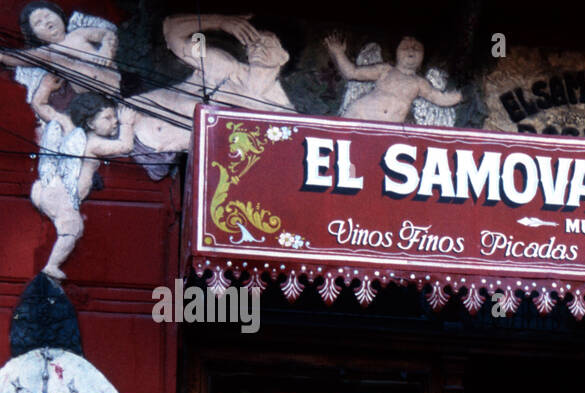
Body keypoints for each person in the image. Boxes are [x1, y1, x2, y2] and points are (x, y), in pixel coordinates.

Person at [127, 13, 294, 157]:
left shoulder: (281, 112)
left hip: (157, 158)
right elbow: (173, 34)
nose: (258, 47)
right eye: (253, 43)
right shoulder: (221, 65)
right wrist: (219, 22)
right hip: (128, 123)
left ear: (283, 56)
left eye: (267, 43)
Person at [28, 91, 136, 279]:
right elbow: (126, 146)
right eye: (107, 117)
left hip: (49, 191)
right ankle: (51, 266)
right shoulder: (93, 144)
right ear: (90, 123)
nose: (115, 121)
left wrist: (43, 91)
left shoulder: (72, 132)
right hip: (61, 195)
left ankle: (52, 266)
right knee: (72, 228)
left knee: (74, 231)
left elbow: (49, 113)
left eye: (115, 117)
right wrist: (127, 123)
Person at [325, 34, 462, 123]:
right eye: (405, 47)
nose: (411, 51)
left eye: (416, 48)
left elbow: (438, 98)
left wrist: (461, 95)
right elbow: (352, 73)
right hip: (360, 114)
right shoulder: (385, 70)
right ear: (395, 52)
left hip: (387, 128)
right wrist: (338, 53)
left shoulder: (419, 83)